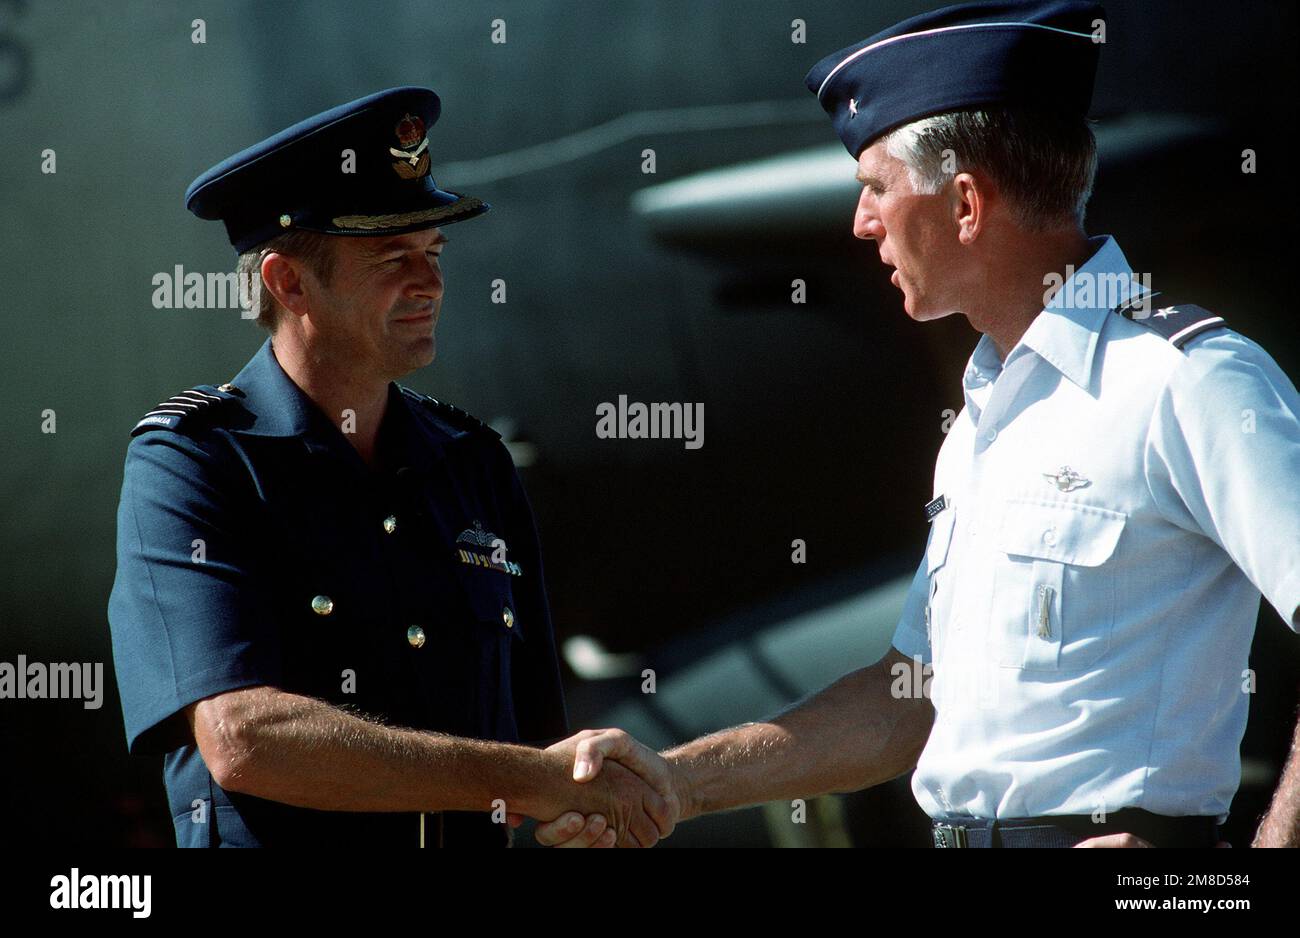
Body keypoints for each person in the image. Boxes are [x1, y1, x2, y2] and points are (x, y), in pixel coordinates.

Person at [536, 0, 1300, 848]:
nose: (862, 221)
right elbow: (909, 699)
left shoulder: (1188, 380)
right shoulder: (983, 419)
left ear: (966, 204)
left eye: (875, 188)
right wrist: (674, 782)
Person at [107, 87, 672, 848]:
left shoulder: (475, 466)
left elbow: (541, 745)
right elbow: (242, 738)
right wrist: (525, 782)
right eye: (391, 258)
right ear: (288, 281)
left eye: (434, 254)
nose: (430, 283)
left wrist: (572, 807)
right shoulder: (194, 464)